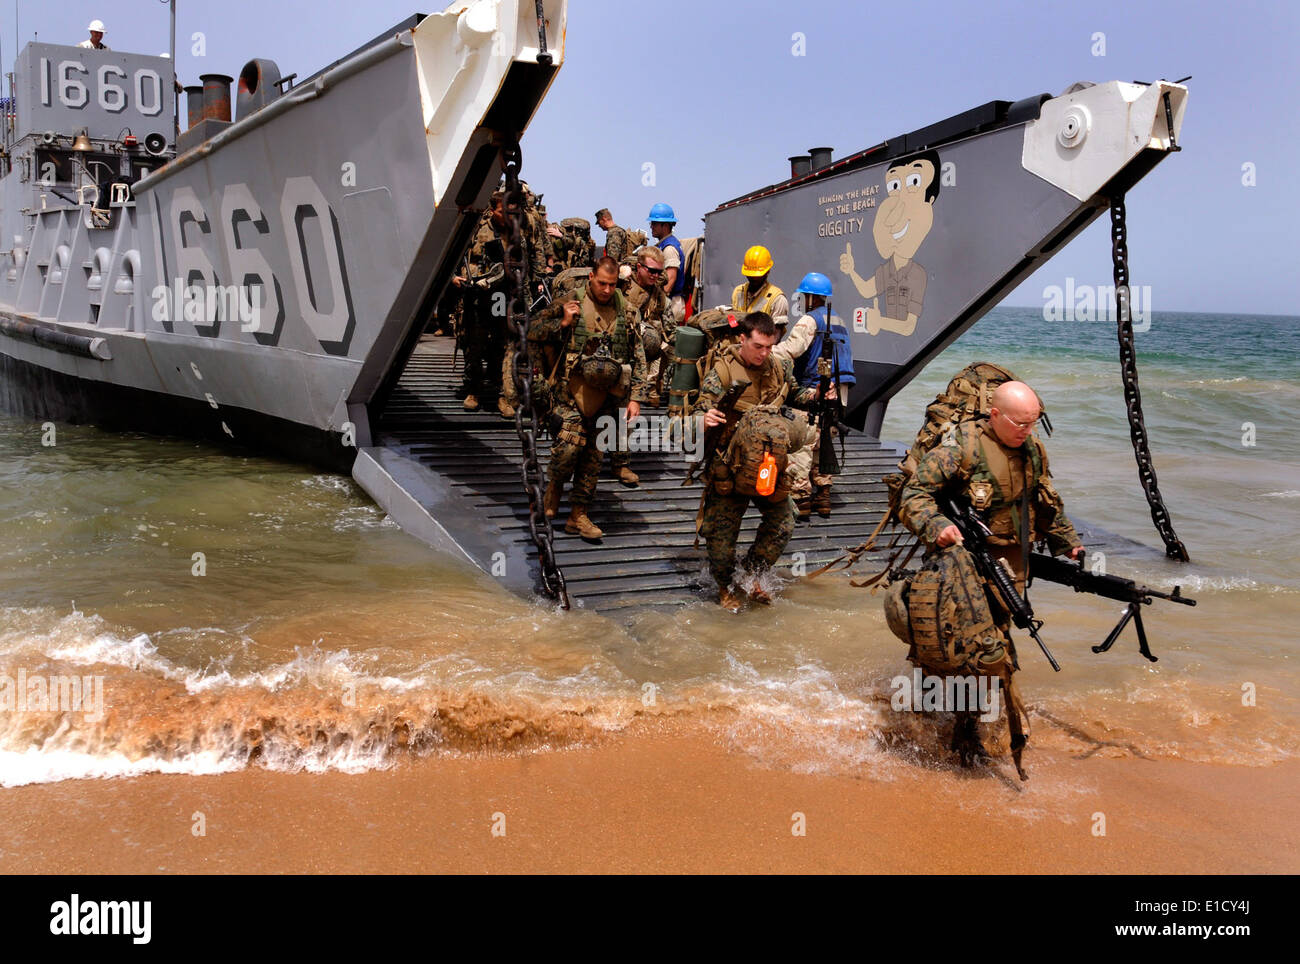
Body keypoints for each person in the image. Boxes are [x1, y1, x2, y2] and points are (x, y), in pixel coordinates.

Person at [898, 380, 1084, 771]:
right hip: (960, 559)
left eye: (1033, 423)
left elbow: (1044, 498)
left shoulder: (1032, 449)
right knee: (958, 642)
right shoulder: (961, 447)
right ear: (995, 415)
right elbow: (914, 495)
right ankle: (938, 723)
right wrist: (938, 527)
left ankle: (971, 729)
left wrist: (1066, 541)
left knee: (997, 641)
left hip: (1009, 563)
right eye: (1019, 422)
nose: (1026, 431)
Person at [692, 311, 822, 611]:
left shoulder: (777, 367)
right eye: (758, 347)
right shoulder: (723, 373)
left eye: (769, 346)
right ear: (743, 339)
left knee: (784, 522)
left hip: (768, 463)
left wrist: (816, 396)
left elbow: (796, 394)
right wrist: (705, 418)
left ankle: (752, 573)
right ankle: (725, 586)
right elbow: (699, 410)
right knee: (721, 537)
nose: (764, 353)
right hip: (730, 465)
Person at [531, 257, 648, 540]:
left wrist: (636, 398)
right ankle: (554, 491)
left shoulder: (627, 312)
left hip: (608, 396)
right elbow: (531, 332)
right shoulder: (569, 301)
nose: (607, 290)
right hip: (571, 391)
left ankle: (578, 516)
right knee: (568, 451)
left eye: (612, 285)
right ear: (591, 278)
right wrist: (562, 322)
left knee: (593, 460)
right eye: (601, 283)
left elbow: (639, 355)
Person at [778, 272, 852, 519]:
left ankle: (802, 499)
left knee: (803, 443)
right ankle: (824, 496)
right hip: (838, 392)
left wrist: (766, 350)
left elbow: (792, 350)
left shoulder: (809, 321)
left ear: (809, 297)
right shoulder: (839, 320)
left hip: (813, 390)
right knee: (825, 444)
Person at [452, 192, 516, 419]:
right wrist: (454, 277)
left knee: (500, 343)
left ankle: (501, 395)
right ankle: (474, 391)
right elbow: (454, 252)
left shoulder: (516, 231)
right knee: (474, 344)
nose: (506, 215)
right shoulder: (477, 228)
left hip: (500, 296)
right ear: (492, 210)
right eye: (502, 211)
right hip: (476, 294)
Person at [619, 246, 672, 407]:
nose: (655, 276)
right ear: (640, 267)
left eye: (658, 272)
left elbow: (671, 329)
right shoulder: (622, 284)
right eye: (651, 271)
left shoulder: (658, 295)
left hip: (640, 355)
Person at [730, 245, 788, 326]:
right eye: (750, 274)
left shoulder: (777, 299)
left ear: (768, 271)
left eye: (757, 275)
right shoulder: (738, 292)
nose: (753, 278)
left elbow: (777, 334)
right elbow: (733, 322)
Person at [648, 203, 686, 323]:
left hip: (671, 303)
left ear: (665, 225)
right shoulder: (665, 245)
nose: (651, 226)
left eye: (654, 223)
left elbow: (670, 280)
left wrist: (658, 303)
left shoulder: (669, 248)